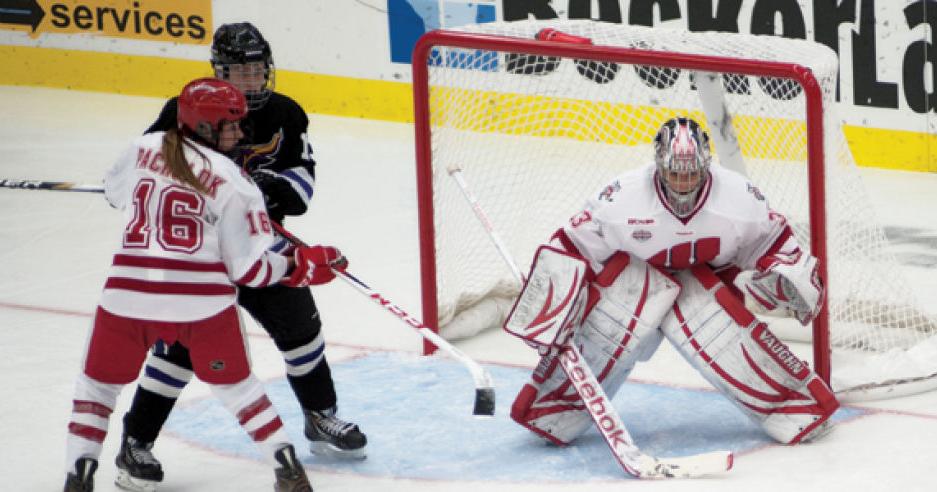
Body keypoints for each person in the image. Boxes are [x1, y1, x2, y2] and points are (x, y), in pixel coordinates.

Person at [113, 22, 366, 491]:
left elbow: (301, 183)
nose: (249, 81)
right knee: (180, 352)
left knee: (300, 329)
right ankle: (135, 444)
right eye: (237, 71)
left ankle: (320, 416)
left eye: (255, 71)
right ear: (218, 71)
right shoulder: (182, 110)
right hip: (196, 256)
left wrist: (268, 190)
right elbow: (141, 170)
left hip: (255, 242)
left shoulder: (286, 114)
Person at [63, 77, 347, 491]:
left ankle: (79, 472)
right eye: (229, 125)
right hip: (201, 304)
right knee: (239, 391)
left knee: (96, 389)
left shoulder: (143, 148)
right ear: (205, 126)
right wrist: (298, 265)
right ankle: (283, 462)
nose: (239, 133)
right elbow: (248, 271)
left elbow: (114, 194)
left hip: (125, 296)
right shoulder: (234, 182)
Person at [506, 117, 840, 448]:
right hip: (634, 286)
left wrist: (787, 276)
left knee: (717, 325)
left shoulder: (740, 197)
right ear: (658, 166)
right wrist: (551, 306)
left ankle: (796, 408)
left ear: (707, 166)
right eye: (674, 173)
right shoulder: (621, 198)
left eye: (691, 173)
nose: (682, 182)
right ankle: (554, 411)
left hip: (709, 291)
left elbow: (776, 244)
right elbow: (571, 249)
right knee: (613, 319)